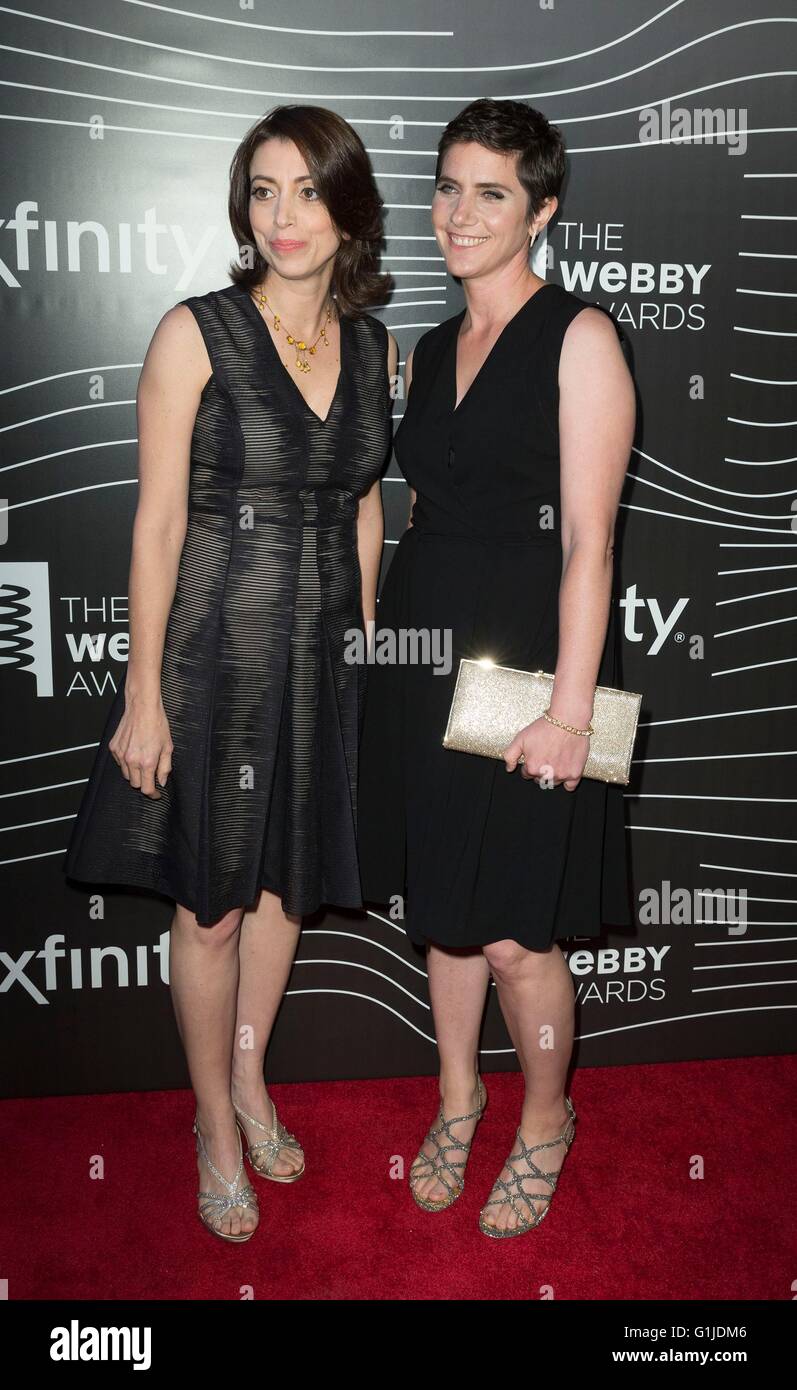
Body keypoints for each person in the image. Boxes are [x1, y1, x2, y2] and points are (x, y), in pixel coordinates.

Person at [65, 105, 396, 1242]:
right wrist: (142, 692)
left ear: (348, 206)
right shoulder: (194, 333)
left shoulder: (372, 346)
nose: (284, 215)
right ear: (241, 208)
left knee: (277, 893)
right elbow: (155, 527)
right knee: (208, 911)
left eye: (307, 189)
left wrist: (367, 640)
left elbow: (361, 503)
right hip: (211, 659)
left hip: (320, 661)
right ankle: (213, 1121)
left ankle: (252, 1082)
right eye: (263, 190)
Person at [357, 98, 636, 1237]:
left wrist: (570, 710)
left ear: (541, 210)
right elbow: (422, 510)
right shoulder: (424, 348)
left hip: (533, 662)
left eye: (491, 192)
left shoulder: (579, 335)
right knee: (445, 917)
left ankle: (544, 1121)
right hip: (430, 654)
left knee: (520, 930)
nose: (459, 213)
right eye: (447, 185)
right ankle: (457, 1101)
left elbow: (589, 540)